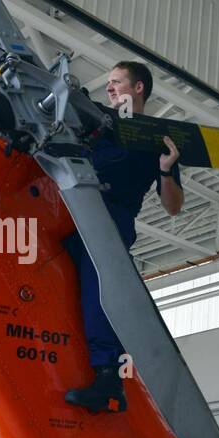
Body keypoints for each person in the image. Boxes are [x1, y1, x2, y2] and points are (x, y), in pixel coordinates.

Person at [63, 61, 184, 413]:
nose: (110, 88)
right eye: (109, 83)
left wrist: (165, 170)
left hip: (110, 216)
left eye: (117, 82)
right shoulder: (95, 123)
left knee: (98, 284)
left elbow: (173, 206)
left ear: (139, 88)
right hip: (70, 206)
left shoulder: (155, 138)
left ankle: (108, 378)